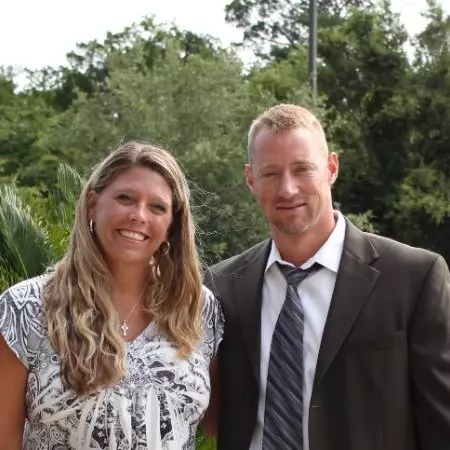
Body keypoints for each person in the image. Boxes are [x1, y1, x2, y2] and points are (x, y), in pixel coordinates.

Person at [204, 104, 450, 450]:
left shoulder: (413, 278)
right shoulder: (220, 286)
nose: (288, 189)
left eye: (302, 169)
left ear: (331, 167)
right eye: (271, 173)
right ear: (250, 178)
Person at [0, 141, 223, 449]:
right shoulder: (24, 309)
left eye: (157, 207)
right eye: (125, 198)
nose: (139, 215)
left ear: (173, 224)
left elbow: (222, 423)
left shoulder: (198, 309)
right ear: (93, 203)